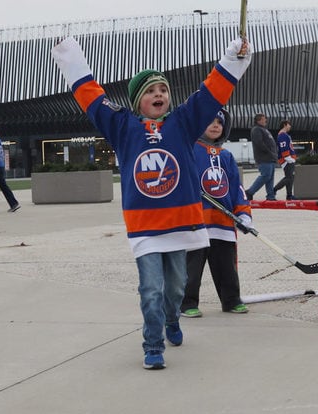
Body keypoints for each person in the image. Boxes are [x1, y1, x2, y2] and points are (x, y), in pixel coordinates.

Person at [51, 35, 252, 370]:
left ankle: (172, 319)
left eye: (163, 90)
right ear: (137, 101)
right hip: (144, 227)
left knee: (175, 289)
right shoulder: (122, 126)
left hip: (181, 224)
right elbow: (92, 98)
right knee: (151, 290)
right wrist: (70, 57)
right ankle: (153, 344)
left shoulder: (183, 123)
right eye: (150, 91)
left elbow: (211, 94)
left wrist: (233, 59)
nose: (159, 95)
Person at [182, 109, 253, 317]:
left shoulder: (226, 156)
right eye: (209, 121)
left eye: (219, 122)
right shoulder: (189, 150)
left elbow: (236, 188)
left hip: (223, 222)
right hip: (197, 222)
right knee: (192, 267)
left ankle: (231, 300)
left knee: (226, 266)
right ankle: (186, 303)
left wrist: (243, 214)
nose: (215, 125)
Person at [244, 114, 277, 201]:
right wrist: (269, 152)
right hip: (264, 158)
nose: (265, 120)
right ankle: (250, 192)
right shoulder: (256, 129)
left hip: (270, 158)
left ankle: (270, 196)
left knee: (270, 178)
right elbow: (259, 143)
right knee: (266, 176)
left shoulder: (264, 129)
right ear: (258, 120)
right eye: (263, 119)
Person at [272, 120, 297, 200]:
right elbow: (284, 147)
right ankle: (274, 189)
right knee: (289, 178)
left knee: (290, 178)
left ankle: (289, 195)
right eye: (289, 125)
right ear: (284, 125)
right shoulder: (282, 135)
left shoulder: (284, 135)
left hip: (289, 159)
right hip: (287, 160)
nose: (290, 126)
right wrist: (288, 158)